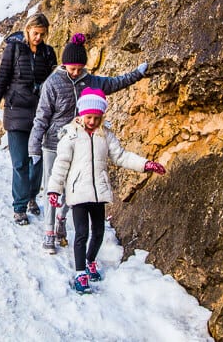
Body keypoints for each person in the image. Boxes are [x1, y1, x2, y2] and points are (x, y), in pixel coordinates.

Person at [29, 33, 148, 253]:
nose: (75, 72)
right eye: (71, 68)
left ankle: (62, 219)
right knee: (52, 187)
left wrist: (137, 75)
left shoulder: (90, 81)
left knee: (70, 187)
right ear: (64, 65)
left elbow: (115, 82)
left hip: (79, 143)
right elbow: (42, 116)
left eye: (79, 68)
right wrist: (34, 147)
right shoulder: (52, 83)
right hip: (53, 144)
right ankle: (48, 232)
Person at [46, 87, 166, 294]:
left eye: (97, 117)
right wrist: (54, 190)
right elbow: (61, 164)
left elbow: (121, 156)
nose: (92, 121)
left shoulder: (105, 135)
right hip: (78, 193)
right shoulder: (71, 135)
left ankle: (90, 259)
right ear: (82, 115)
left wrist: (145, 164)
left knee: (99, 232)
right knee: (82, 233)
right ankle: (80, 273)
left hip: (99, 192)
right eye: (89, 117)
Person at [0, 13, 57, 225]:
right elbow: (1, 79)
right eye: (35, 33)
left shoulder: (48, 53)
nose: (38, 38)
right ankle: (19, 207)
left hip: (40, 114)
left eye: (42, 34)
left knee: (36, 161)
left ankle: (32, 197)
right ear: (27, 30)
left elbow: (54, 82)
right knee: (19, 162)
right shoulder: (14, 49)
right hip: (16, 111)